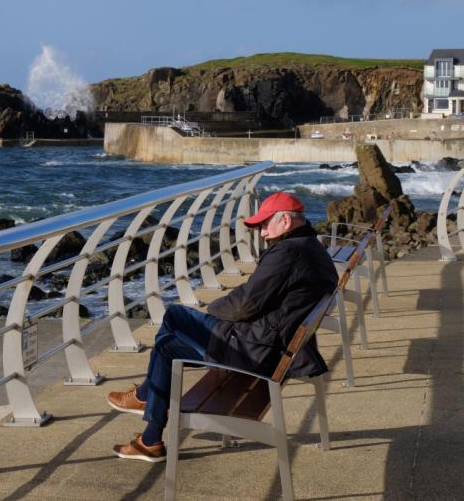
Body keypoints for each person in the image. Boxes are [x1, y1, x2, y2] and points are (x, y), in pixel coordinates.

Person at [107, 191, 339, 462]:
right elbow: (258, 299)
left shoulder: (287, 252)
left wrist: (214, 311)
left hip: (254, 351)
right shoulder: (312, 248)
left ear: (285, 221)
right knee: (166, 346)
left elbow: (244, 304)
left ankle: (147, 398)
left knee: (175, 315)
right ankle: (150, 436)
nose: (262, 233)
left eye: (265, 225)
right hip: (273, 346)